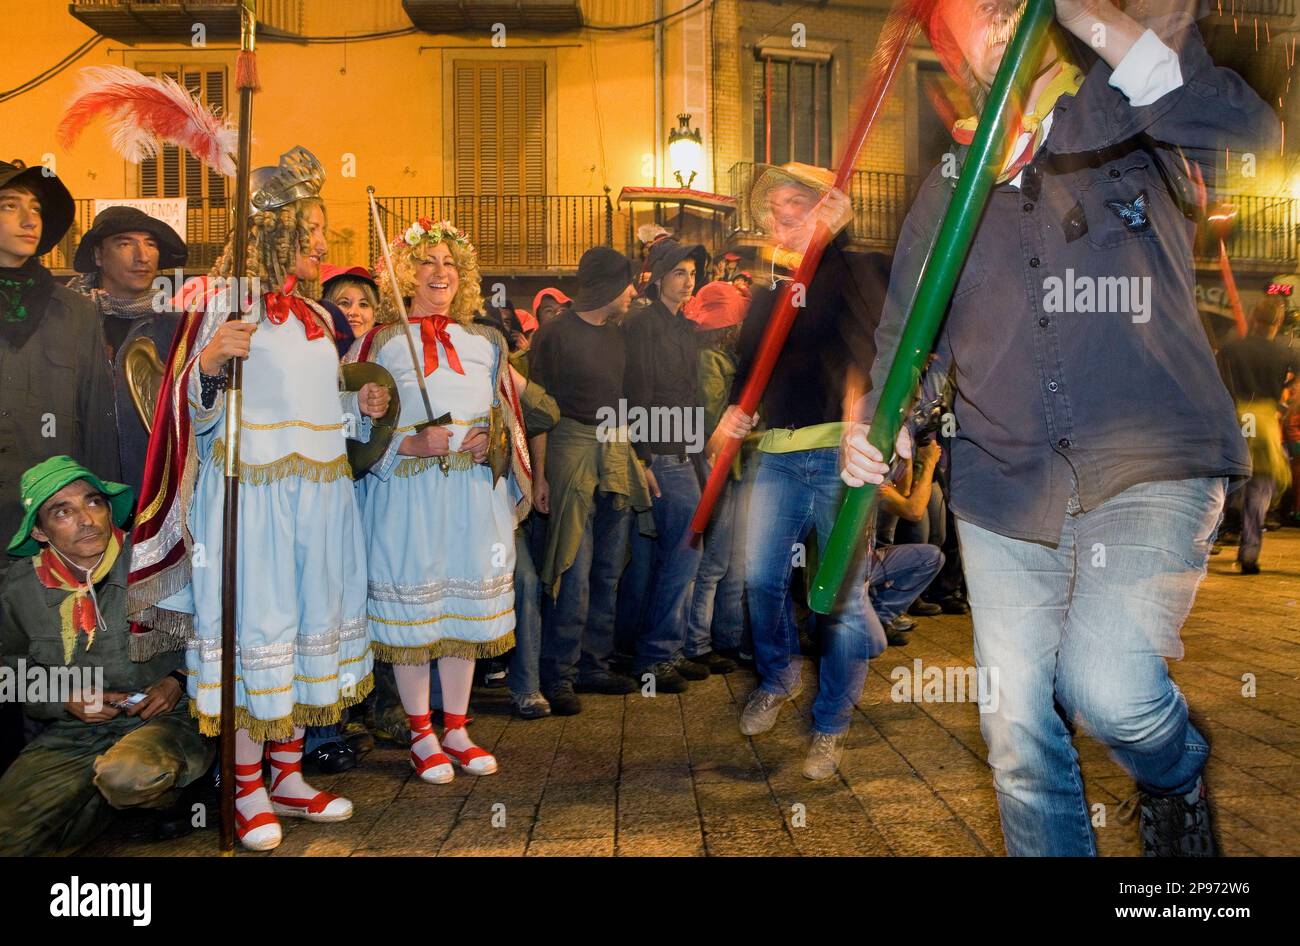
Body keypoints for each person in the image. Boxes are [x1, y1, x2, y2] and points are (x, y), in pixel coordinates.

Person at [845, 0, 1279, 855]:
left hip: (1151, 463)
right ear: (947, 44)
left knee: (1108, 686)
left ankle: (1174, 770)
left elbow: (1247, 128)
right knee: (1017, 734)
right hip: (1004, 487)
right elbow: (909, 345)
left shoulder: (1123, 109)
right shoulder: (942, 192)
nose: (1000, 13)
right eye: (976, 8)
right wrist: (884, 419)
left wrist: (1100, 17)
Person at [126, 147, 389, 851]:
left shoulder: (313, 315)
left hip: (320, 499)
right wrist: (209, 365)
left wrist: (356, 405)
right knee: (259, 635)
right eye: (314, 234)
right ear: (279, 234)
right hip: (251, 500)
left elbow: (320, 411)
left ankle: (289, 775)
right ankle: (243, 788)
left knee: (307, 631)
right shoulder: (220, 302)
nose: (325, 247)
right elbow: (186, 412)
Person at [708, 162, 888, 780]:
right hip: (777, 456)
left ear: (824, 207)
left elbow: (867, 340)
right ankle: (779, 676)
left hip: (841, 456)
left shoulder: (854, 269)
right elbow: (751, 365)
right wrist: (734, 410)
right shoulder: (770, 286)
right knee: (758, 580)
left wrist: (835, 243)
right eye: (773, 209)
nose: (778, 217)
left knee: (837, 598)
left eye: (793, 204)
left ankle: (830, 725)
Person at [347, 217, 531, 781]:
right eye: (428, 262)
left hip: (472, 493)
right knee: (416, 617)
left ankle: (456, 727)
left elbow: (511, 420)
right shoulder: (376, 341)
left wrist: (491, 441)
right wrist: (408, 442)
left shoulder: (489, 341)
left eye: (450, 263)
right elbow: (350, 424)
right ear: (406, 271)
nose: (440, 272)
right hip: (406, 494)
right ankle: (420, 734)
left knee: (463, 611)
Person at [0, 457, 211, 855]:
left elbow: (220, 627)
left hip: (171, 714)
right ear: (41, 533)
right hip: (77, 730)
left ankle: (166, 798)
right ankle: (103, 801)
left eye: (93, 502)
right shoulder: (19, 587)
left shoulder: (155, 560)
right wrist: (64, 698)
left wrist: (179, 679)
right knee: (9, 837)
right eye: (63, 511)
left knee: (129, 776)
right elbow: (8, 670)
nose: (85, 520)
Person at [530, 247, 652, 715]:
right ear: (608, 286)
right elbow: (538, 410)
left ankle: (593, 666)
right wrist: (539, 476)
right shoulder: (553, 334)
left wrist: (638, 462)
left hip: (615, 455)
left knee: (608, 568)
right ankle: (557, 674)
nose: (632, 293)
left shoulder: (620, 337)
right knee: (571, 570)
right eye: (627, 283)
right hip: (569, 455)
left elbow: (626, 402)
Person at [620, 238, 735, 690]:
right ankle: (653, 655)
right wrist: (643, 456)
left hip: (685, 449)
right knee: (683, 551)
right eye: (679, 273)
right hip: (660, 451)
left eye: (692, 273)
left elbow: (689, 394)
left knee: (683, 552)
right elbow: (637, 391)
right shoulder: (643, 325)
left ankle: (668, 647)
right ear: (659, 278)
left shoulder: (684, 327)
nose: (688, 281)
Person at [0, 159, 120, 576]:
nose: (29, 219)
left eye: (35, 207)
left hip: (54, 530)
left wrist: (102, 517)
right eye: (9, 205)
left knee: (53, 639)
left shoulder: (75, 312)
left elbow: (98, 420)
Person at [67, 206, 188, 496]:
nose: (142, 256)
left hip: (154, 493)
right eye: (125, 243)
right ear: (98, 256)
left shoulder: (177, 327)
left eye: (150, 243)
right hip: (81, 489)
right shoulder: (67, 321)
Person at [683, 281, 751, 670]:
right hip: (717, 467)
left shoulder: (720, 359)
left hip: (731, 467)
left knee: (729, 561)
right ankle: (699, 640)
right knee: (713, 563)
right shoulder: (710, 361)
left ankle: (725, 636)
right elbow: (712, 421)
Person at [1217, 296, 1296, 573]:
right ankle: (1249, 553)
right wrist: (1285, 405)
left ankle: (1214, 534)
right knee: (1261, 487)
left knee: (1229, 483)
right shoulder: (1285, 353)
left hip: (1237, 418)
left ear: (1253, 319)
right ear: (1277, 323)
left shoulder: (1231, 349)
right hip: (1264, 421)